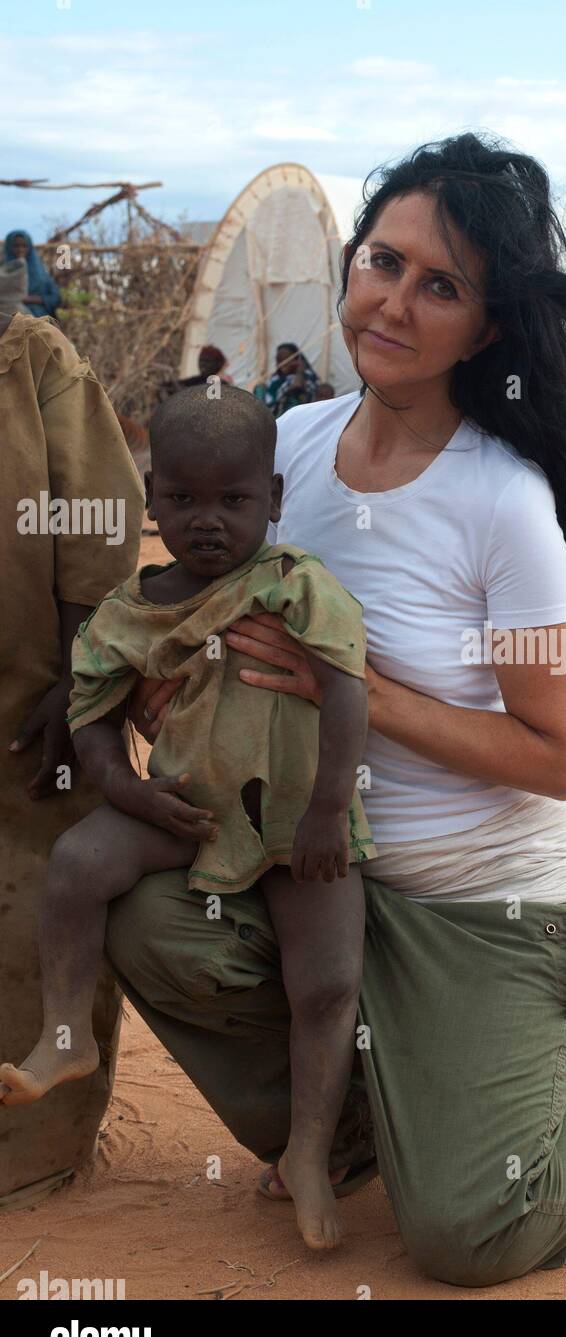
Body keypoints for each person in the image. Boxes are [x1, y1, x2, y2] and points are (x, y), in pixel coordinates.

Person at [101, 132, 566, 1286]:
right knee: (143, 911)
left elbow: (562, 755)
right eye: (381, 261)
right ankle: (347, 1134)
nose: (393, 301)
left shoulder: (501, 501)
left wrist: (365, 694)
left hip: (490, 906)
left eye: (440, 286)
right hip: (326, 886)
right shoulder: (281, 455)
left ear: (486, 328)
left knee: (467, 1231)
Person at [0, 385, 374, 1253]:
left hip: (292, 822)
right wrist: (124, 792)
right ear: (151, 498)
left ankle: (310, 1153)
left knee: (324, 985)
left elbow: (348, 690)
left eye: (235, 501)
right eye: (183, 500)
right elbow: (89, 707)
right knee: (78, 863)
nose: (208, 522)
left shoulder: (294, 586)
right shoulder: (133, 609)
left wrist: (327, 808)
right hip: (189, 811)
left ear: (274, 501)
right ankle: (65, 1038)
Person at [0, 311, 144, 1206]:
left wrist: (82, 678)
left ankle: (31, 1152)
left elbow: (98, 517)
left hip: (29, 713)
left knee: (32, 909)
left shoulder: (30, 359)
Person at [4, 231, 61, 319]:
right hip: (7, 316)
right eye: (16, 246)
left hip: (39, 318)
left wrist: (29, 299)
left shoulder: (41, 273)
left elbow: (55, 298)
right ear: (9, 247)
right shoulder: (2, 271)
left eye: (24, 246)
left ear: (29, 247)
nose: (20, 249)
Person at [260, 343, 319, 417]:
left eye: (286, 359)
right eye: (278, 360)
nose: (281, 363)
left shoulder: (307, 376)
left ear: (296, 360)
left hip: (299, 417)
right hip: (273, 416)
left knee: (293, 397)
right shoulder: (275, 378)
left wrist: (300, 371)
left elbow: (297, 386)